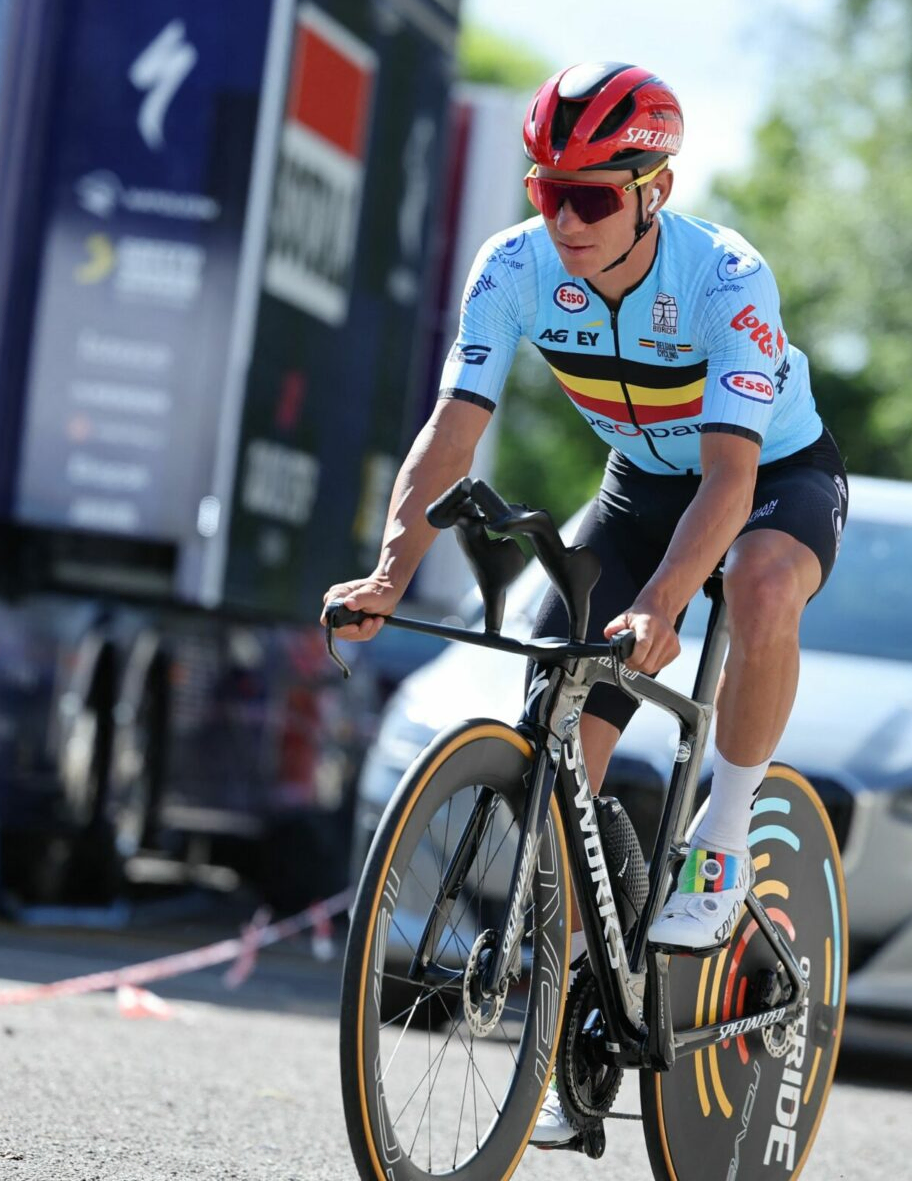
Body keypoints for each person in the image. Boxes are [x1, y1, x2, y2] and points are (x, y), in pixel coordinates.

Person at [321, 62, 848, 1145]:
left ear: (654, 188)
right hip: (634, 486)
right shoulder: (511, 267)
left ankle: (726, 822)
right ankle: (576, 1023)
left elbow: (730, 483)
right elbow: (452, 429)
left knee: (752, 585)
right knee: (561, 721)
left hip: (770, 478)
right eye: (546, 190)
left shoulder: (727, 279)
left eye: (593, 196)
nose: (563, 218)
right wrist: (387, 574)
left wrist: (661, 605)